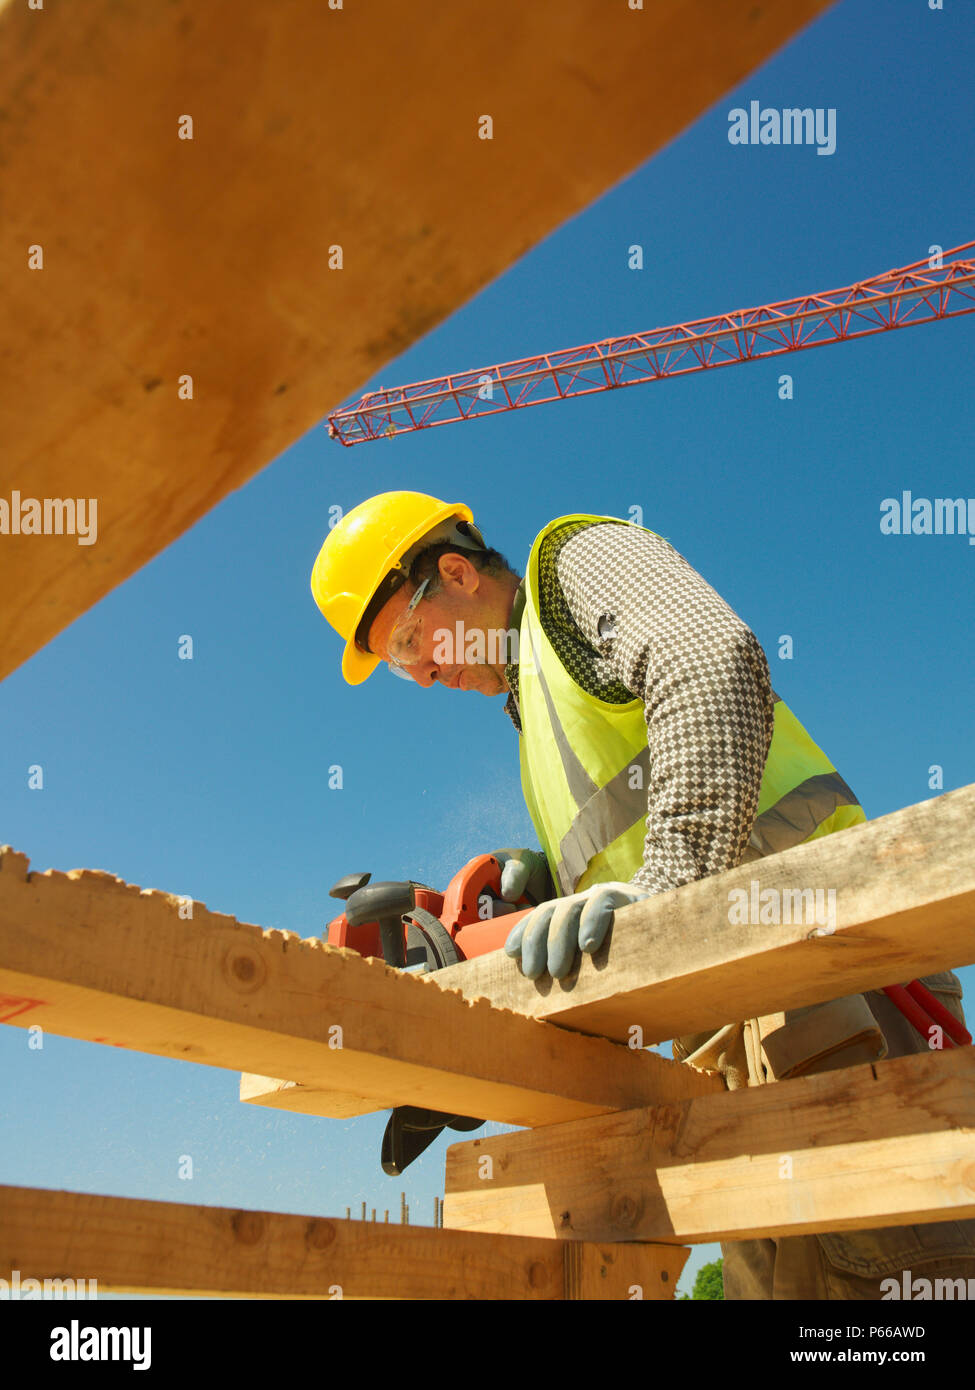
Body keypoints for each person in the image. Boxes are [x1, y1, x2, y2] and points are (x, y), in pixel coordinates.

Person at [310, 489, 975, 1300]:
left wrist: (669, 886)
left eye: (412, 642)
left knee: (896, 1288)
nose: (421, 676)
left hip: (828, 984)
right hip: (721, 1054)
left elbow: (709, 659)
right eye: (399, 666)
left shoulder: (571, 564)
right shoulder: (539, 715)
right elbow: (619, 894)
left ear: (455, 572)